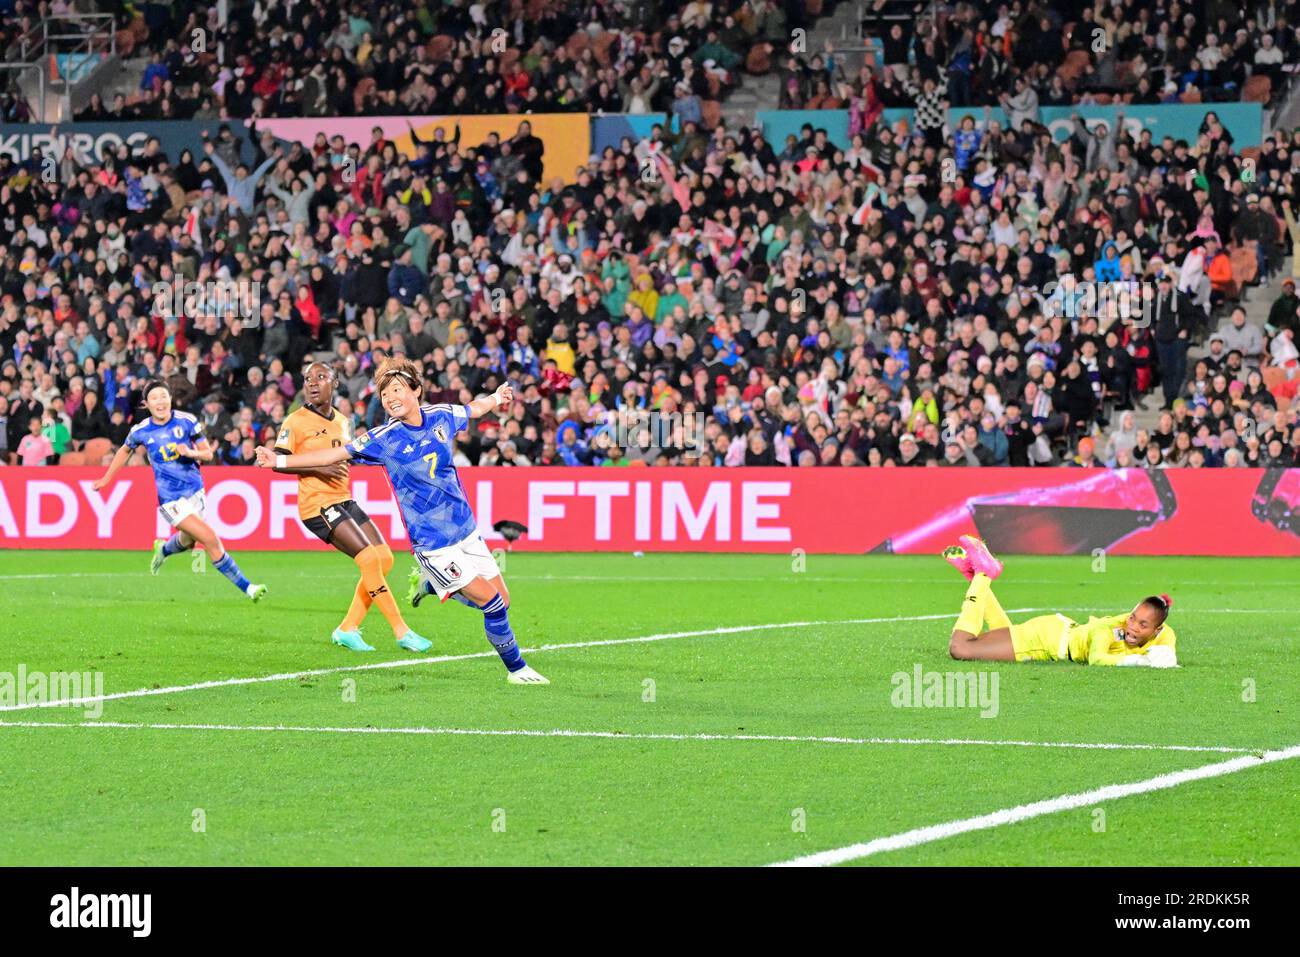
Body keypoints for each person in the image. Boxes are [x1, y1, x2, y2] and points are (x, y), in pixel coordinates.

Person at [255, 357, 548, 684]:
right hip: (435, 546)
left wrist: (497, 398)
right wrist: (279, 459)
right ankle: (517, 669)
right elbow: (332, 456)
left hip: (467, 532)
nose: (390, 397)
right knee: (492, 603)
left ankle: (431, 585)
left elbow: (474, 409)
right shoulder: (383, 438)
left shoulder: (440, 415)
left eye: (396, 389)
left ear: (416, 391)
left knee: (503, 603)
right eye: (384, 394)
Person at [274, 361, 429, 653]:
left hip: (343, 499)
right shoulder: (295, 421)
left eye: (321, 377)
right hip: (317, 505)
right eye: (308, 378)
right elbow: (277, 461)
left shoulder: (344, 421)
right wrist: (321, 470)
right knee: (369, 559)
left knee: (384, 558)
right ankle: (401, 631)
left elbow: (350, 455)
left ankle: (347, 628)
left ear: (335, 383)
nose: (313, 383)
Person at [93, 381, 266, 601]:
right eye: (154, 398)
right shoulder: (141, 430)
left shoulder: (187, 421)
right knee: (210, 538)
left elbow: (207, 454)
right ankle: (249, 588)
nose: (160, 401)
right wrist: (106, 479)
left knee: (188, 541)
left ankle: (163, 550)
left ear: (170, 398)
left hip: (195, 492)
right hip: (170, 500)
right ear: (146, 404)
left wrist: (190, 453)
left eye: (164, 396)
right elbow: (124, 451)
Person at [943, 536, 1177, 666]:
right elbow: (1097, 659)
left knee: (1001, 635)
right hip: (1046, 641)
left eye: (1142, 625)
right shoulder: (1107, 630)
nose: (1132, 626)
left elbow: (1168, 652)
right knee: (961, 648)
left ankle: (973, 574)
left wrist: (1165, 658)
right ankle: (984, 574)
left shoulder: (1164, 633)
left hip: (1054, 631)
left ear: (1157, 630)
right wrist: (1139, 661)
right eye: (1133, 618)